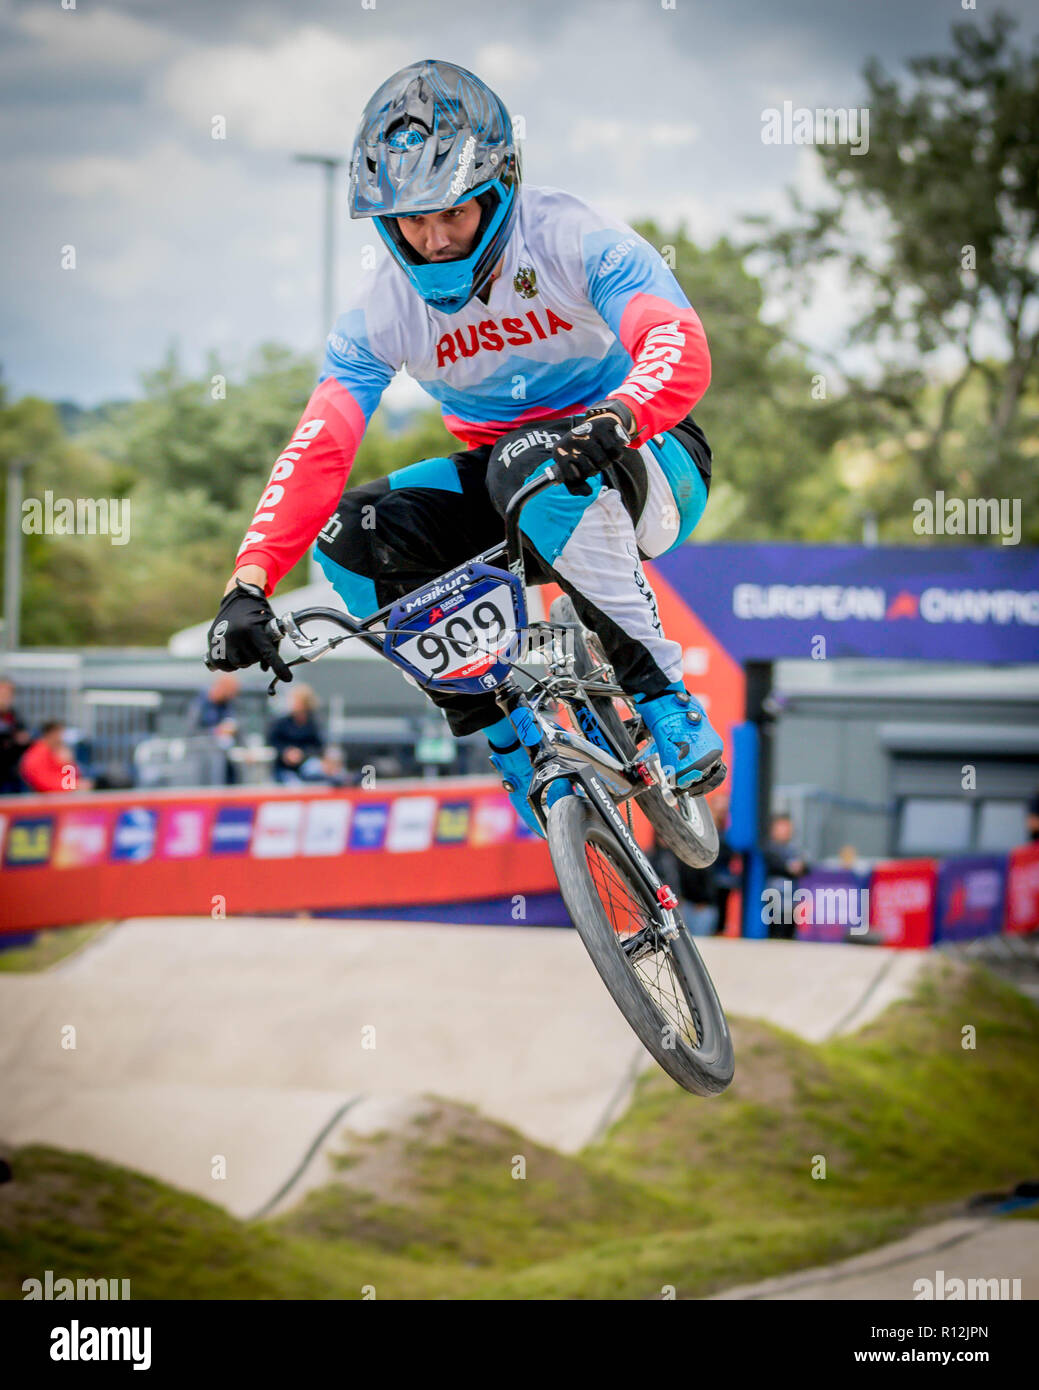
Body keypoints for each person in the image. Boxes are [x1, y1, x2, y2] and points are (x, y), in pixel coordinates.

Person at [204, 58, 725, 836]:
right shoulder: (381, 309)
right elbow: (319, 447)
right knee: (349, 536)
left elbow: (677, 346)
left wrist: (616, 417)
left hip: (645, 457)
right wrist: (247, 581)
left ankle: (664, 700)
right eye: (412, 220)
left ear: (498, 188)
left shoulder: (572, 238)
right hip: (511, 492)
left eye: (453, 213)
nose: (436, 240)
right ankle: (512, 743)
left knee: (527, 462)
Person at [268, 684, 334, 784]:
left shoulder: (314, 723)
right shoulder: (281, 723)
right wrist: (286, 753)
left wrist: (302, 754)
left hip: (307, 766)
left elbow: (319, 747)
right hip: (284, 769)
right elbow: (272, 743)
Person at [763, 810, 810, 941]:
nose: (786, 831)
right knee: (776, 933)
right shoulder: (770, 847)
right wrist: (789, 867)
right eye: (782, 827)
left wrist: (801, 867)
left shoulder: (794, 848)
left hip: (791, 899)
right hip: (774, 898)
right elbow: (775, 863)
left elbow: (807, 866)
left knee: (789, 934)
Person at [189, 674, 241, 785]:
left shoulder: (228, 705)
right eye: (230, 691)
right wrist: (216, 731)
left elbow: (237, 729)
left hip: (226, 763)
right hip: (203, 763)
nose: (232, 696)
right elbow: (191, 732)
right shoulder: (200, 704)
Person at [18, 721, 93, 793]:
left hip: (61, 795)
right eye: (60, 734)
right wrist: (75, 785)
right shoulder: (36, 755)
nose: (62, 739)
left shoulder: (56, 751)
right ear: (51, 734)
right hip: (45, 799)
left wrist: (68, 763)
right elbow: (44, 783)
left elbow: (72, 777)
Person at [0, 680, 32, 794]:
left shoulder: (13, 716)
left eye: (9, 693)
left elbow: (25, 738)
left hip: (12, 773)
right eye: (3, 693)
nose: (6, 697)